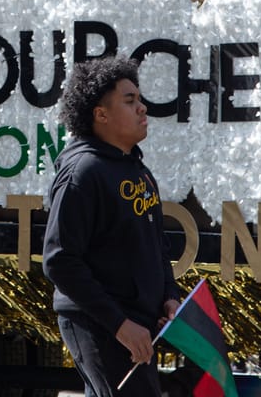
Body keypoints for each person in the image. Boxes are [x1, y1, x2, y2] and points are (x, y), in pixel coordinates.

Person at [42, 56, 180, 396]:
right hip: (101, 325)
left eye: (140, 99)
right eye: (129, 101)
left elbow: (155, 245)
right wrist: (120, 325)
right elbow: (60, 260)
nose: (143, 108)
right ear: (100, 115)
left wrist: (169, 298)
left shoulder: (138, 170)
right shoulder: (82, 173)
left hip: (139, 325)